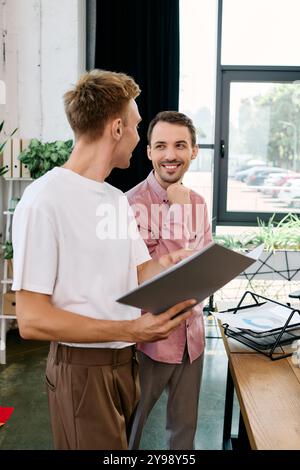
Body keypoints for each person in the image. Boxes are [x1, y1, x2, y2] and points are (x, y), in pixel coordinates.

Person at [11, 71, 196, 450]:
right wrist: (132, 331)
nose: (137, 137)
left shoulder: (114, 199)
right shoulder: (44, 199)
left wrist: (176, 263)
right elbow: (32, 320)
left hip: (122, 364)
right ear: (116, 128)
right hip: (81, 370)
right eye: (135, 127)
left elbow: (140, 270)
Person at [127, 111, 212, 450]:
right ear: (148, 152)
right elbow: (152, 276)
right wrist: (177, 212)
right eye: (161, 146)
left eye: (180, 145)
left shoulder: (199, 203)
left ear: (194, 151)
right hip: (149, 339)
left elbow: (201, 267)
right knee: (131, 427)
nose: (170, 155)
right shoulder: (131, 204)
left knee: (183, 432)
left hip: (192, 338)